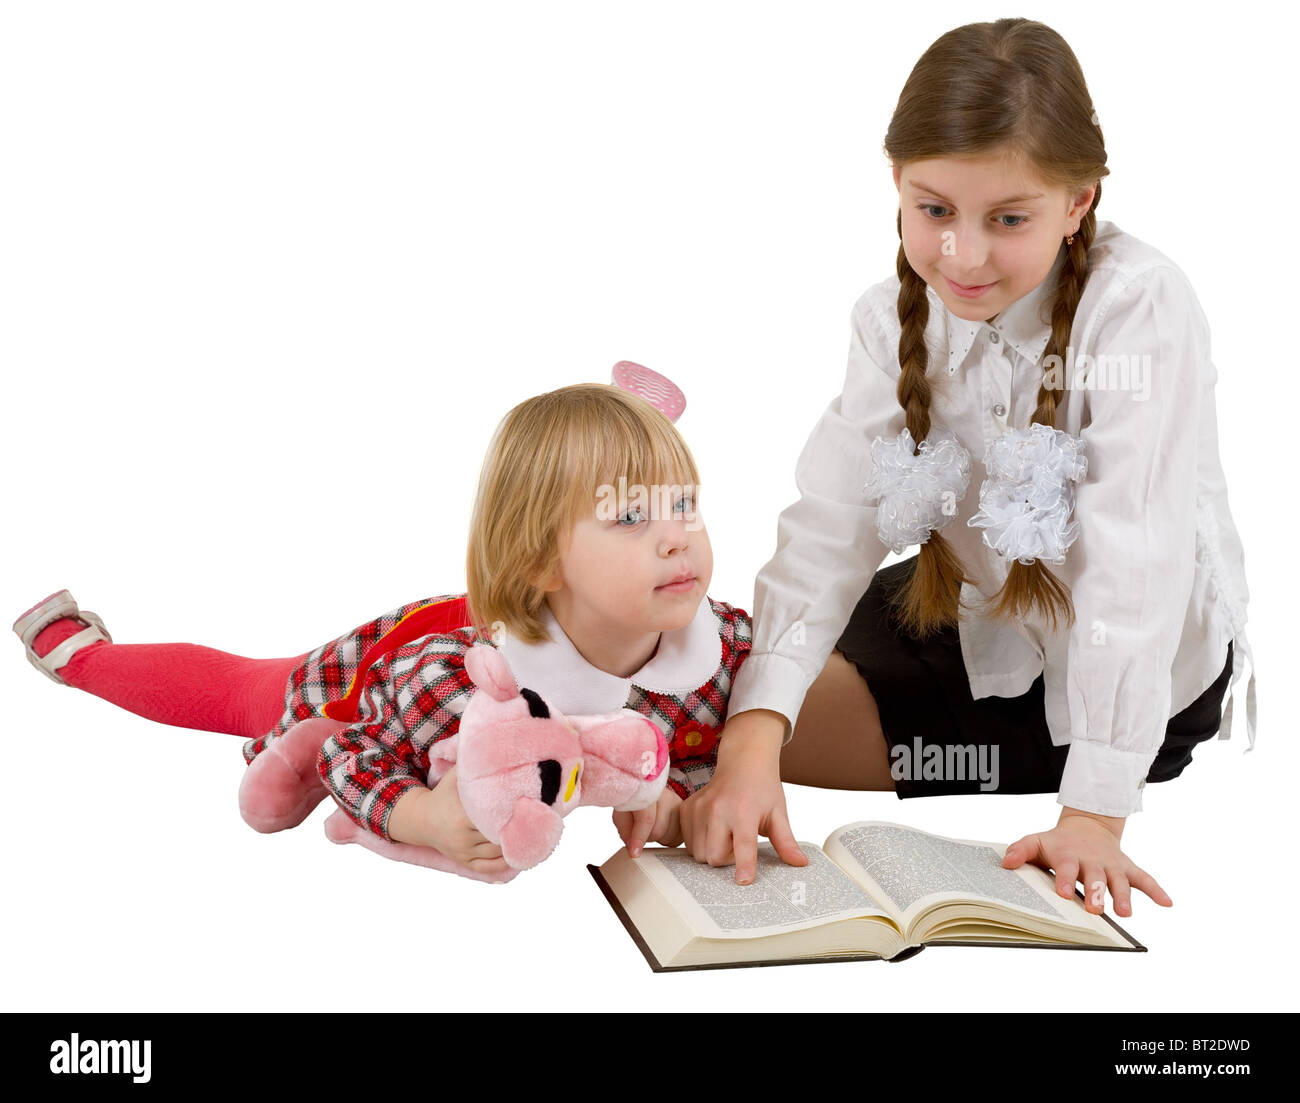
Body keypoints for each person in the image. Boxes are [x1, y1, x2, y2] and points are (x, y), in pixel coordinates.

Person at [686, 17, 1256, 917]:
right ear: (898, 186)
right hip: (966, 601)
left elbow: (1132, 565)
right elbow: (831, 523)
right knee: (717, 699)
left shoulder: (1140, 308)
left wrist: (1094, 814)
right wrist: (754, 740)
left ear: (1079, 202)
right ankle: (492, 681)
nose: (964, 254)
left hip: (1105, 682)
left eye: (1010, 218)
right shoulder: (889, 318)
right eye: (935, 210)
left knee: (694, 739)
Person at [13, 380, 752, 880]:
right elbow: (354, 752)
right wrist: (421, 813)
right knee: (254, 690)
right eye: (630, 516)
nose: (677, 536)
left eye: (684, 502)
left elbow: (714, 725)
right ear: (540, 561)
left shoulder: (721, 644)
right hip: (384, 663)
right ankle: (81, 654)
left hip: (499, 611)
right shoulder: (461, 687)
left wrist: (678, 787)